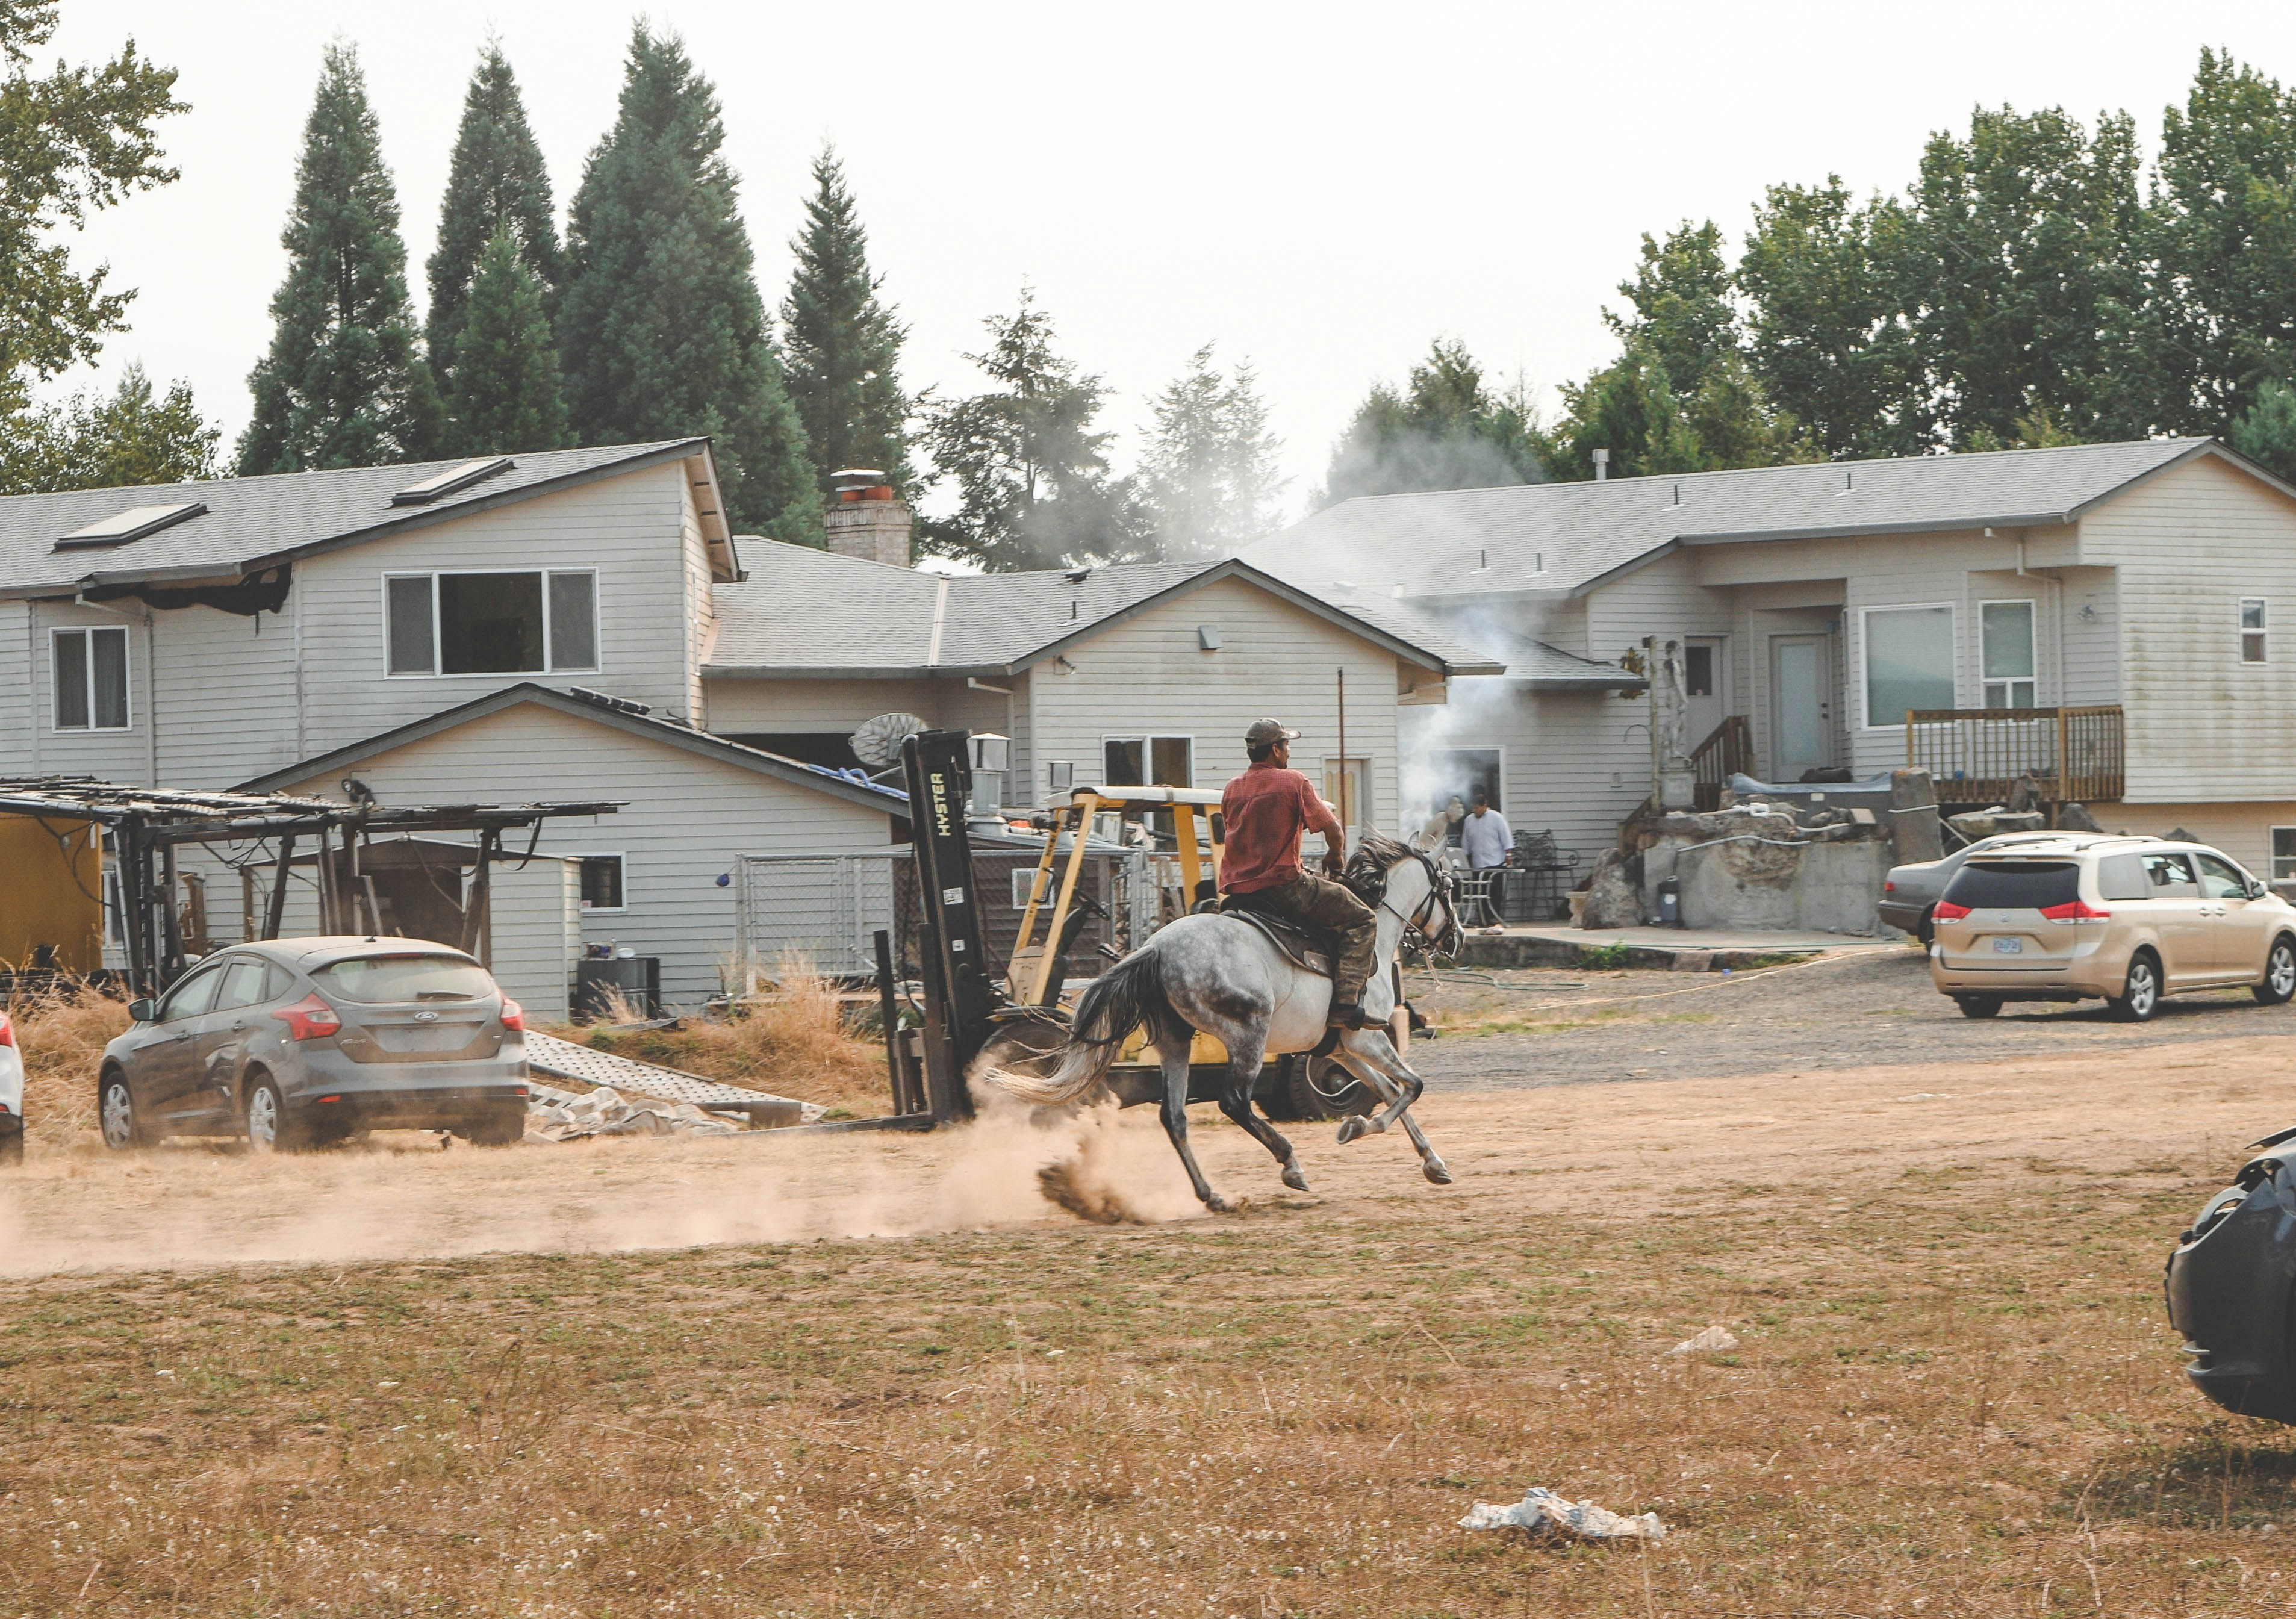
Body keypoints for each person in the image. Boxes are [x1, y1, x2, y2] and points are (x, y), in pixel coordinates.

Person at [1218, 718, 1379, 1028]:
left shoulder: (1232, 789)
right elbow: (1333, 829)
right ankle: (1345, 1005)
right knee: (1363, 919)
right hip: (1283, 888)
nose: (1289, 751)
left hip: (1239, 894)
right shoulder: (1293, 781)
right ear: (1276, 750)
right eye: (1287, 745)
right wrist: (1335, 855)